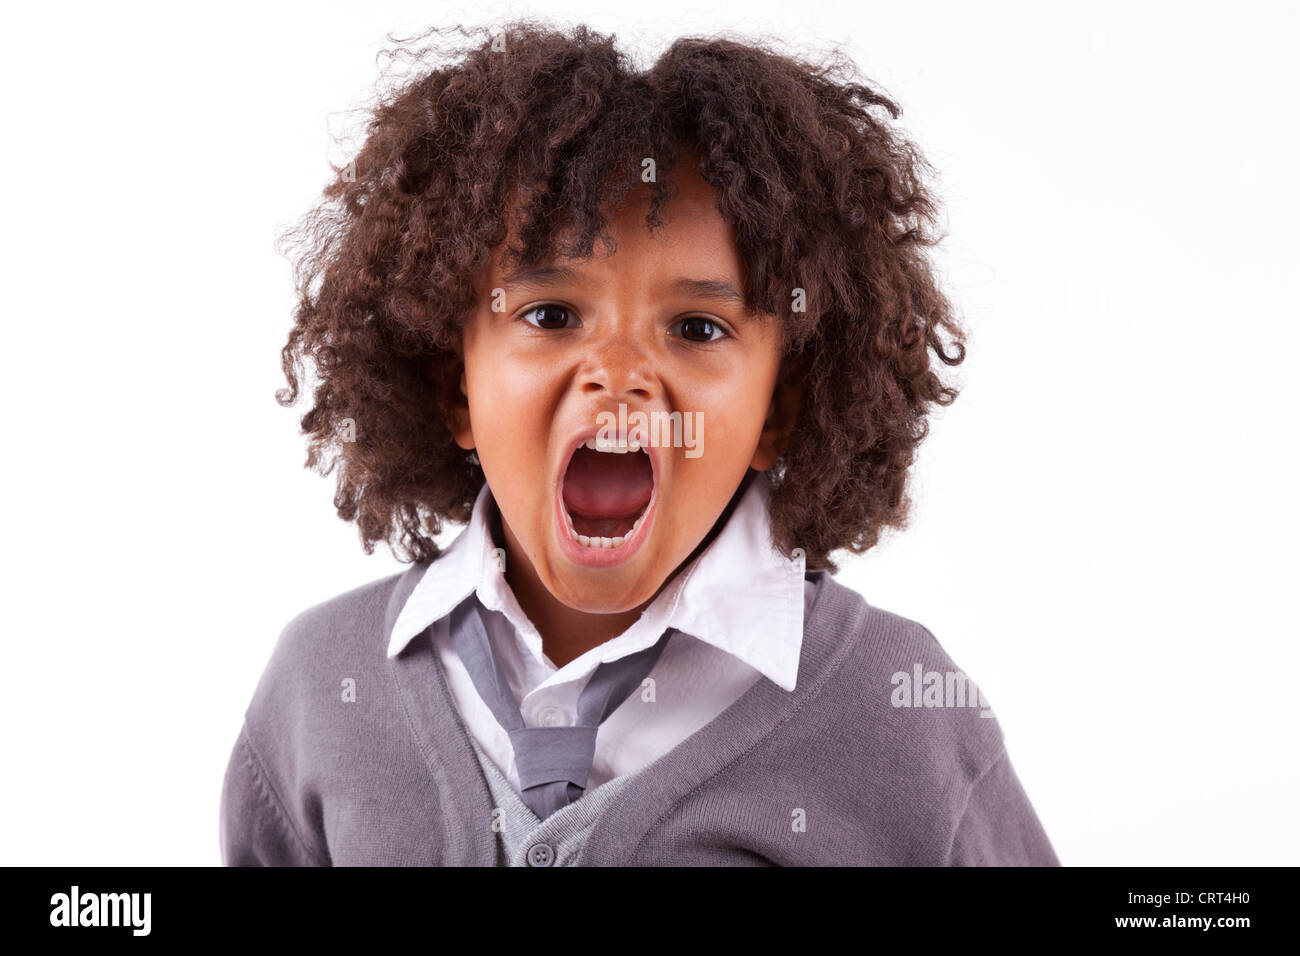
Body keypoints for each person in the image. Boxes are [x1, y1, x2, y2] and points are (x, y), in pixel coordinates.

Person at [219, 20, 1059, 866]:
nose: (618, 373)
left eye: (697, 327)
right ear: (454, 387)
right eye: (549, 315)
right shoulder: (320, 685)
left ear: (778, 410)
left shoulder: (897, 713)